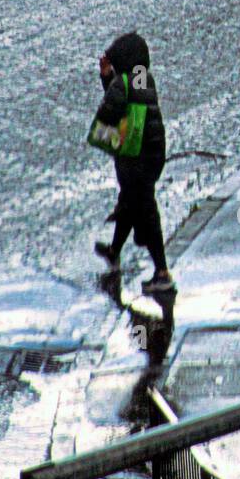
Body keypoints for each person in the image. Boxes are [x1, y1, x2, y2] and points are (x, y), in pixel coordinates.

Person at [92, 32, 174, 294]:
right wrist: (112, 80)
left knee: (145, 210)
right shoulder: (145, 79)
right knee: (131, 203)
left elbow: (109, 111)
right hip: (153, 153)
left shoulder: (122, 83)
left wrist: (108, 79)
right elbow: (130, 99)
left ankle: (162, 273)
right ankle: (114, 251)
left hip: (133, 159)